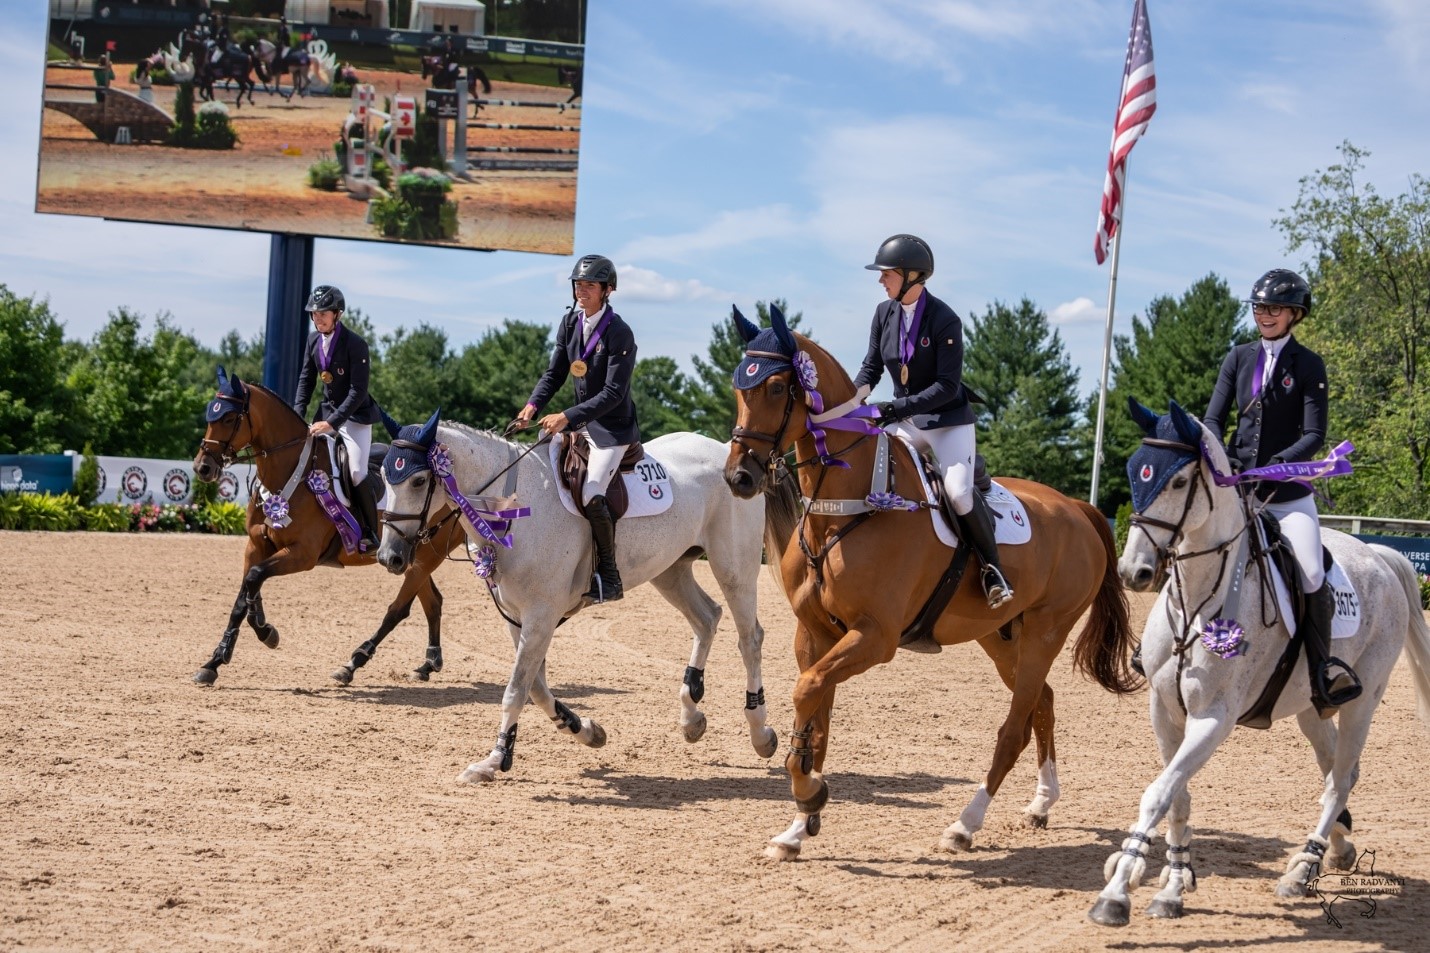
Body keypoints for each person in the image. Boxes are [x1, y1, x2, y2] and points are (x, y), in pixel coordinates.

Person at [1204, 268, 1360, 717]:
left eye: (1273, 308)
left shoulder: (1308, 365)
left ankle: (1323, 670)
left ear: (1294, 314)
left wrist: (1276, 465)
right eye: (1258, 307)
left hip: (1287, 495)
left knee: (1311, 573)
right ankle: (1161, 647)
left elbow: (1314, 434)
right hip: (1236, 490)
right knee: (1193, 545)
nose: (1263, 314)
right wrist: (1224, 458)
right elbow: (1214, 418)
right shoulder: (1238, 358)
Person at [855, 234, 1013, 609]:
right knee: (874, 478)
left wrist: (897, 408)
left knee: (957, 492)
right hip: (907, 421)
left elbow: (947, 386)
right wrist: (851, 401)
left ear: (912, 276)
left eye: (887, 274)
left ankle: (993, 570)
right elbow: (872, 367)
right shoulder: (884, 313)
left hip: (948, 422)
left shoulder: (945, 319)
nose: (881, 281)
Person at [516, 255, 639, 602]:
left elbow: (614, 393)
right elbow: (554, 374)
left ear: (607, 290)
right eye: (578, 284)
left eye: (589, 285)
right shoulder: (569, 323)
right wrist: (532, 406)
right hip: (578, 422)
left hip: (612, 428)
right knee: (536, 470)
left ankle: (609, 577)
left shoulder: (619, 332)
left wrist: (567, 417)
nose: (581, 290)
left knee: (592, 491)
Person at [291, 285, 384, 551]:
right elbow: (306, 381)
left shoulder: (356, 344)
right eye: (314, 313)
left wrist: (332, 423)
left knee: (355, 472)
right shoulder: (312, 341)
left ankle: (370, 531)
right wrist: (298, 415)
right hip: (325, 415)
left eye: (323, 313)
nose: (318, 318)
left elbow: (358, 391)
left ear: (337, 314)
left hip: (355, 418)